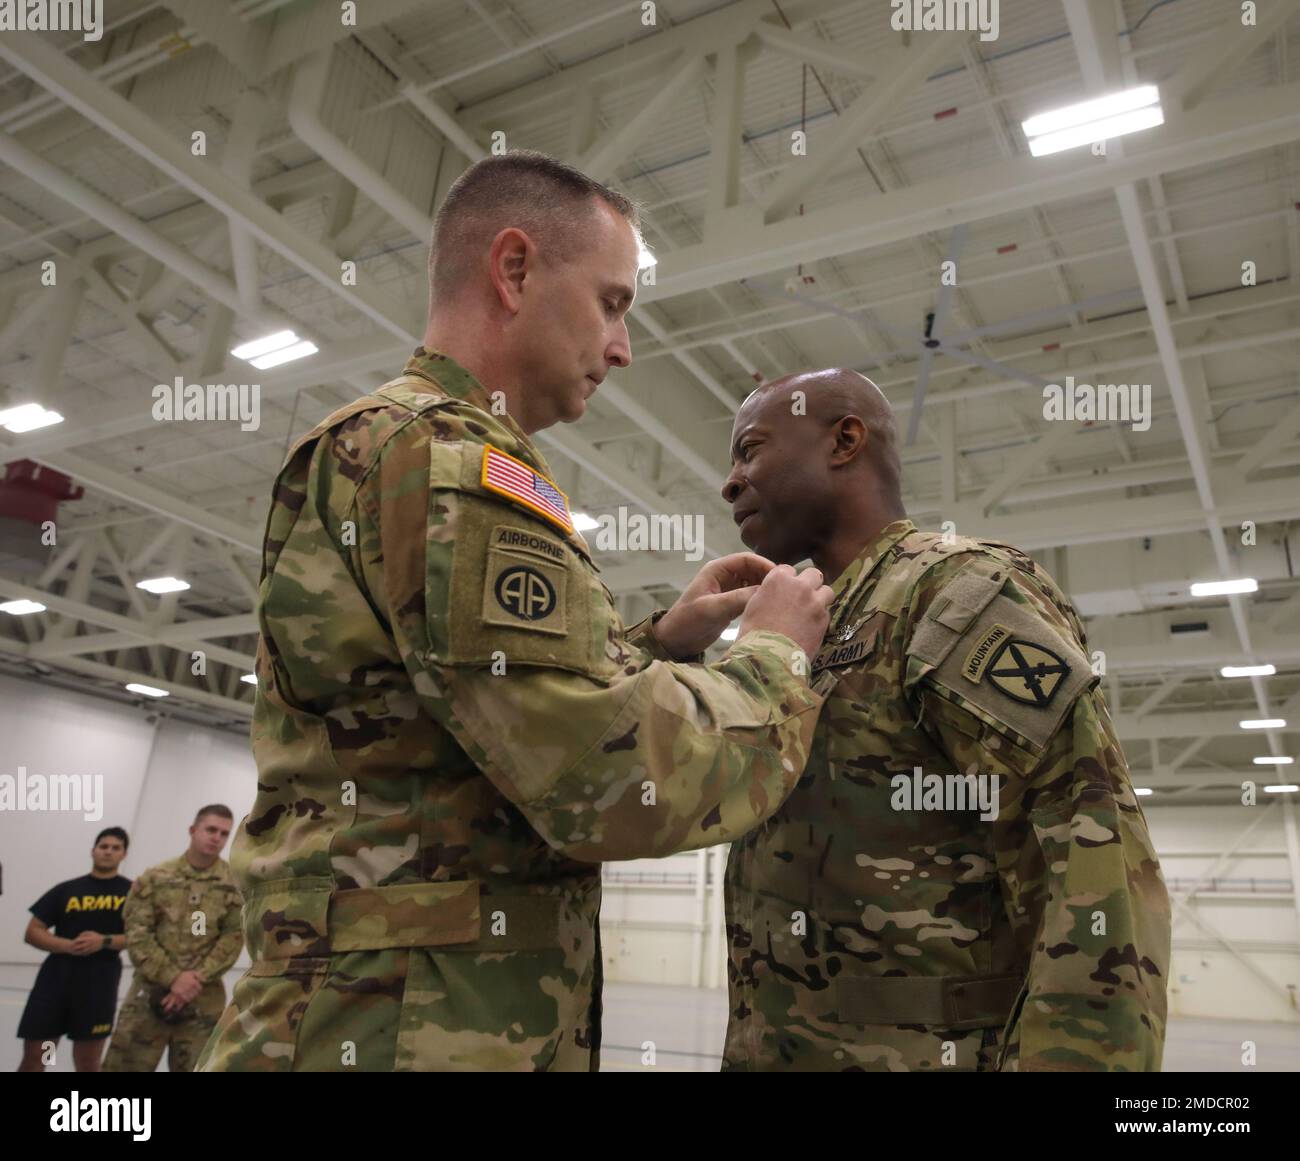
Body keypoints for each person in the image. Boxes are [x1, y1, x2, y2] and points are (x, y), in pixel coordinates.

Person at [198, 150, 833, 1074]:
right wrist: (775, 658)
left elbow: (458, 705)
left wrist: (662, 639)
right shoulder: (452, 458)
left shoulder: (410, 446)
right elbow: (606, 784)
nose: (624, 347)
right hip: (404, 1029)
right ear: (515, 268)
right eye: (613, 303)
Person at [719, 368, 1171, 1071]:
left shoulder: (953, 593)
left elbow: (1090, 858)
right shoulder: (810, 628)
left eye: (750, 448)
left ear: (844, 441)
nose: (732, 481)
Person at [101, 806, 243, 1072]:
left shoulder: (233, 884)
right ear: (193, 830)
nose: (216, 838)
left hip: (202, 1001)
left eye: (224, 833)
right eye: (211, 830)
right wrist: (173, 978)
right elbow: (137, 932)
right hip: (149, 996)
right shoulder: (156, 878)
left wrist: (194, 979)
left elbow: (233, 938)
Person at [16, 827, 131, 1072]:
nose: (108, 852)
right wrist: (67, 946)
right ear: (93, 851)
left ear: (124, 854)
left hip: (98, 985)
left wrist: (105, 941)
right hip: (55, 982)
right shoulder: (67, 890)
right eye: (104, 846)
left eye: (115, 848)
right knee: (38, 1056)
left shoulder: (132, 893)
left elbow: (142, 936)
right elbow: (33, 931)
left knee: (87, 1063)